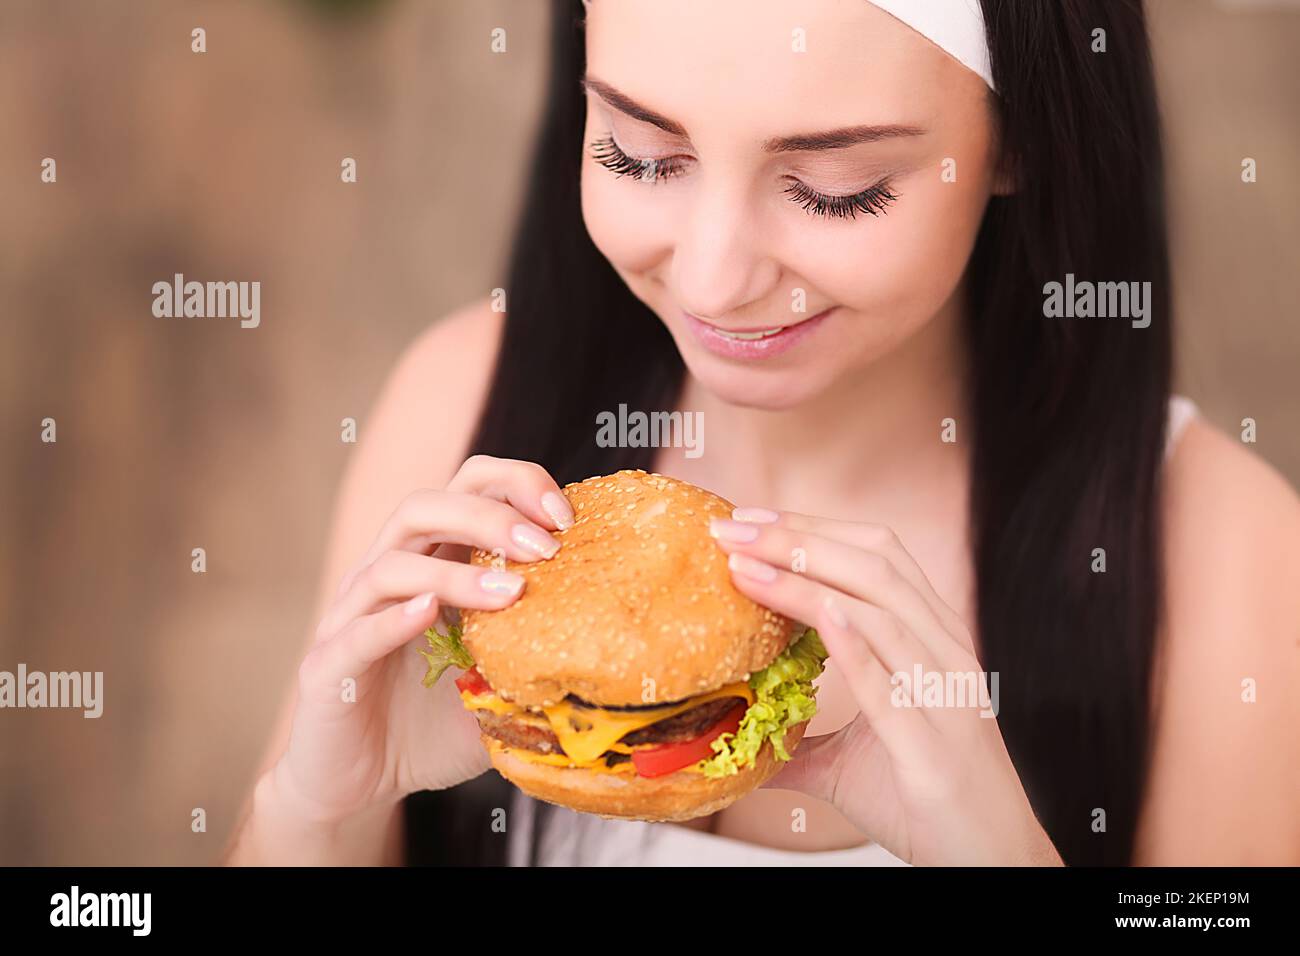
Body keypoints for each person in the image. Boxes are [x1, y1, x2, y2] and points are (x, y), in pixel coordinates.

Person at [223, 0, 1299, 866]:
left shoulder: (1232, 559)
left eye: (836, 190)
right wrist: (315, 817)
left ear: (1019, 137)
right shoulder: (460, 409)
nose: (713, 277)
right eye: (640, 156)